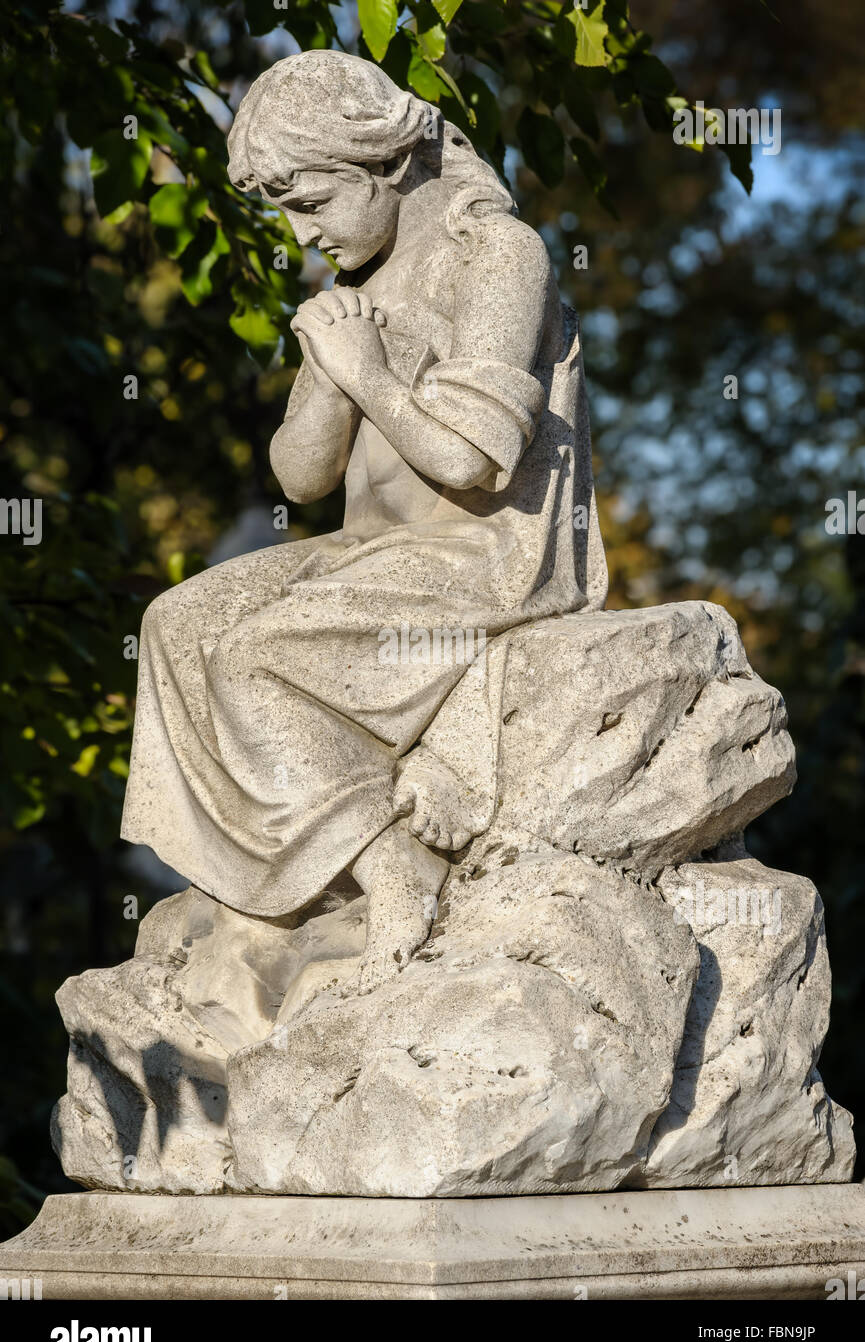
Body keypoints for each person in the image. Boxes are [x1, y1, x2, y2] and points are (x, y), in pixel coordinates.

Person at [121, 50, 606, 993]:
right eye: (286, 211)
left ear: (387, 164)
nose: (304, 234)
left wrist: (372, 376)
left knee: (256, 655)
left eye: (311, 202)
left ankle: (392, 864)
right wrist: (332, 375)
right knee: (175, 625)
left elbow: (472, 462)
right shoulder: (357, 288)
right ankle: (265, 878)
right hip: (373, 550)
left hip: (486, 555)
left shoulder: (497, 257)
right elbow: (299, 479)